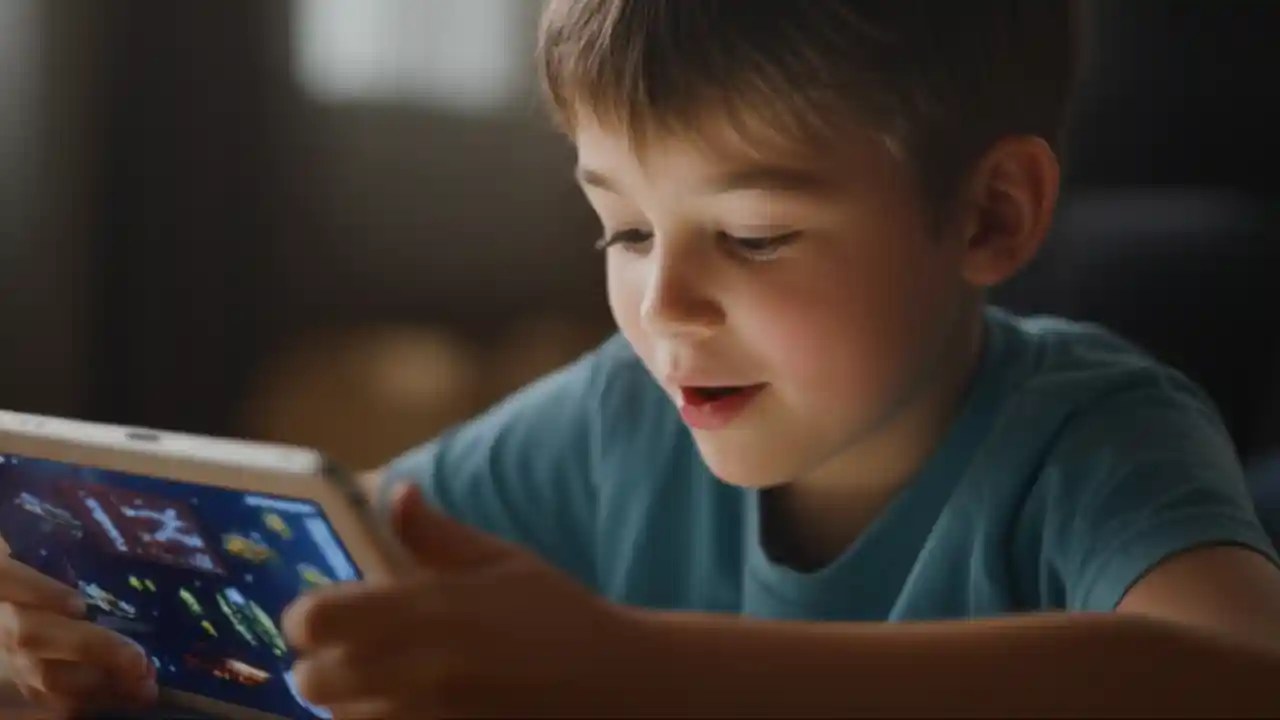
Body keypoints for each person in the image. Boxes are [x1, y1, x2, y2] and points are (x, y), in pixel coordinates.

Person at [3, 1, 1279, 717]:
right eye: (619, 226)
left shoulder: (1094, 429)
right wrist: (106, 658)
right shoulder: (613, 419)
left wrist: (636, 665)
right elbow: (327, 599)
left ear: (989, 215)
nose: (661, 306)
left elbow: (1234, 680)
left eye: (753, 236)